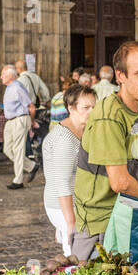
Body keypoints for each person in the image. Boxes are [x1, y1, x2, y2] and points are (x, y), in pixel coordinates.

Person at [73, 42, 138, 261]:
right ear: (120, 76)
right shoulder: (109, 114)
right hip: (101, 225)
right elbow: (119, 182)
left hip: (130, 215)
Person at [43, 84, 98, 257]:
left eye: (94, 107)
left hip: (76, 203)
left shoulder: (82, 130)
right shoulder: (64, 139)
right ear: (71, 108)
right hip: (64, 205)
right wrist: (70, 221)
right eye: (86, 107)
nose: (92, 111)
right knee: (74, 255)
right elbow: (62, 183)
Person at [1, 65, 38, 189]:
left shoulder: (17, 87)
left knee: (18, 150)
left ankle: (18, 180)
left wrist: (31, 122)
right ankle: (31, 166)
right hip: (10, 121)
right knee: (7, 149)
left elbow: (31, 106)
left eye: (3, 74)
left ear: (10, 76)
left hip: (20, 119)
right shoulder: (9, 88)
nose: (1, 77)